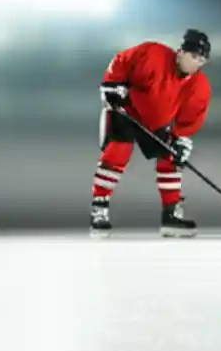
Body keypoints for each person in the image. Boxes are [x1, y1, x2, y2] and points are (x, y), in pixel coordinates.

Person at [90, 29, 212, 238]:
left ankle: (171, 216)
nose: (197, 63)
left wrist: (180, 140)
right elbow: (121, 61)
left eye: (202, 60)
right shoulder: (152, 53)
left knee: (170, 157)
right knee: (117, 153)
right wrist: (112, 83)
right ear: (181, 52)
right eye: (194, 56)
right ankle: (99, 210)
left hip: (155, 122)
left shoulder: (199, 86)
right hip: (126, 110)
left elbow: (188, 120)